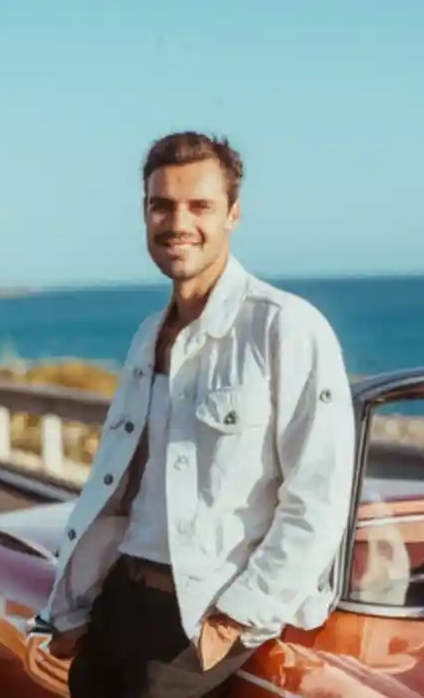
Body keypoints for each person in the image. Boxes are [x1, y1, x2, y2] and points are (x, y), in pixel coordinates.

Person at [35, 131, 357, 697]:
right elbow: (122, 487)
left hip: (199, 618)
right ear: (145, 214)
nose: (178, 222)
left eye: (199, 206)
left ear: (233, 214)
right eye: (162, 205)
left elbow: (319, 499)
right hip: (121, 604)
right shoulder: (147, 337)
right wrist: (76, 606)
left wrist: (234, 619)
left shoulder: (283, 328)